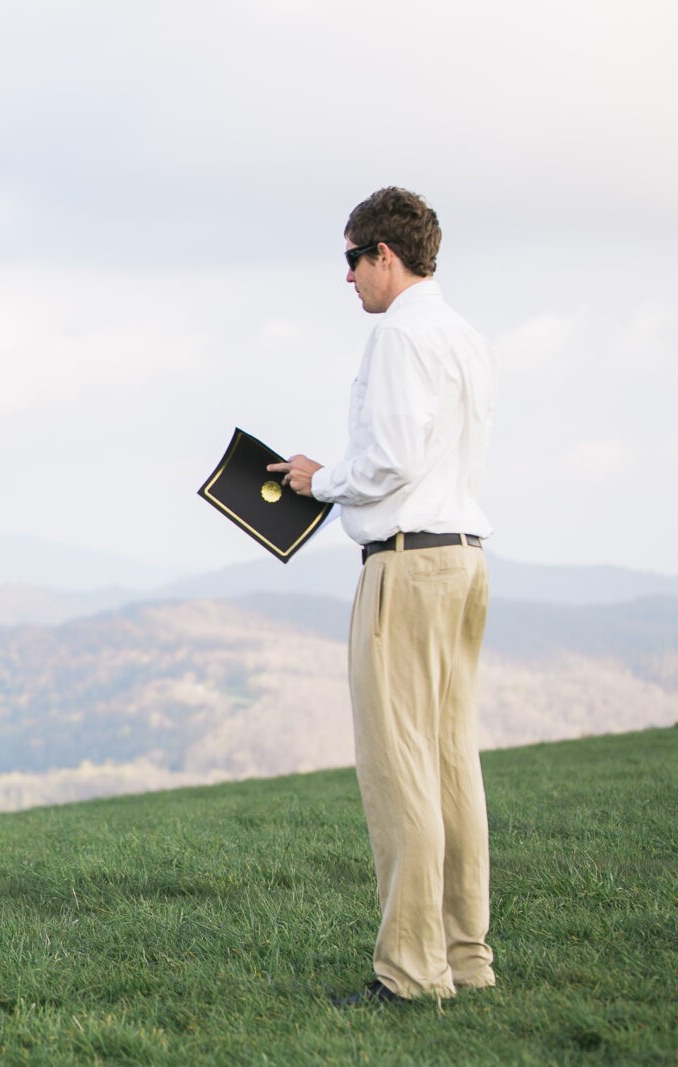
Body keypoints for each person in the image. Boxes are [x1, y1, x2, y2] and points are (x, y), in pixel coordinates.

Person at [270, 187, 497, 1006]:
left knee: (398, 766)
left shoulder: (400, 334)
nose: (349, 279)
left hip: (405, 564)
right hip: (464, 559)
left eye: (352, 260)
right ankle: (466, 953)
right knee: (448, 760)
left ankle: (409, 971)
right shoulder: (464, 335)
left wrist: (317, 479)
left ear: (385, 257)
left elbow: (394, 456)